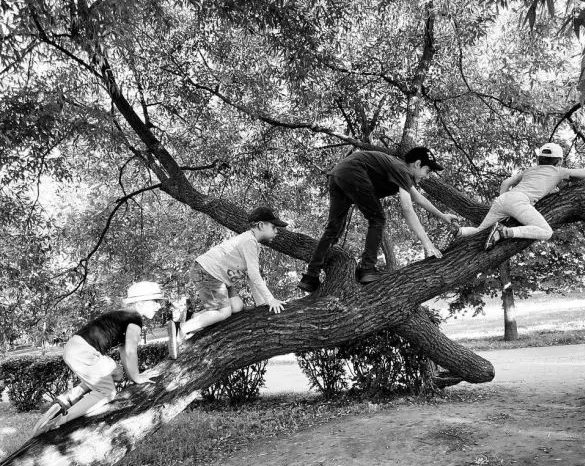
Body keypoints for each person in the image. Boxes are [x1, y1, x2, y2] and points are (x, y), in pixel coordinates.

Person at [297, 147, 459, 292]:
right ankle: (367, 269)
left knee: (333, 230)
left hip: (337, 175)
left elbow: (418, 198)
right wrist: (427, 243)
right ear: (417, 164)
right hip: (353, 172)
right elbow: (407, 208)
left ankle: (310, 277)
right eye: (427, 170)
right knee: (377, 218)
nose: (427, 176)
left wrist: (443, 216)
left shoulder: (398, 170)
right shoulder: (403, 171)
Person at [32, 281, 163, 436]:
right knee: (107, 392)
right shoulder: (135, 319)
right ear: (141, 303)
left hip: (75, 348)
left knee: (118, 373)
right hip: (84, 352)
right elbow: (130, 352)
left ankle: (70, 397)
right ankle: (58, 420)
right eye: (155, 301)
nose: (159, 306)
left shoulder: (123, 316)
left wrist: (133, 377)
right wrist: (138, 378)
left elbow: (123, 352)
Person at [168, 206, 287, 360]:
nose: (276, 231)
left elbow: (251, 276)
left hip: (220, 278)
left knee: (237, 307)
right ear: (261, 225)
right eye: (273, 227)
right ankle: (181, 329)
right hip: (207, 272)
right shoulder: (249, 241)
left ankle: (193, 316)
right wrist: (270, 300)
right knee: (224, 312)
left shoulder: (253, 243)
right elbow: (254, 274)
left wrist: (260, 303)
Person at [454, 142, 585, 250]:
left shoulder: (530, 170)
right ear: (559, 161)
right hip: (519, 201)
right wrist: (570, 177)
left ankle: (458, 231)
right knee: (546, 232)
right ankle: (505, 232)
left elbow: (506, 182)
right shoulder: (559, 171)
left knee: (480, 231)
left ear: (539, 160)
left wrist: (504, 199)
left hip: (503, 199)